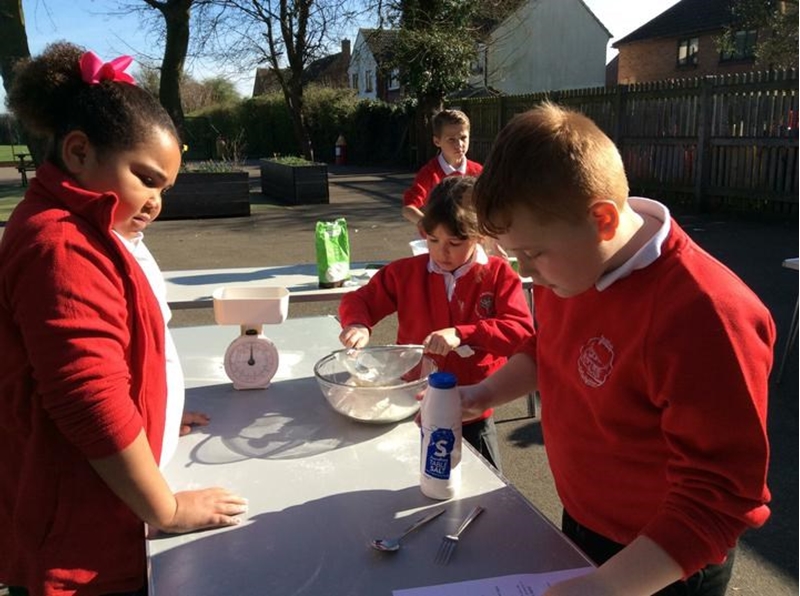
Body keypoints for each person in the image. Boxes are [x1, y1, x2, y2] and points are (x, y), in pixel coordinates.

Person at [463, 102, 773, 596]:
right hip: (584, 523)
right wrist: (481, 394)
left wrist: (607, 587)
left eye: (532, 254)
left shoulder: (708, 313)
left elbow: (721, 499)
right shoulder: (571, 263)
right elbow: (550, 348)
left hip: (666, 562)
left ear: (603, 219)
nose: (526, 273)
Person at [0, 43, 248, 596]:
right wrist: (169, 509)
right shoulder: (61, 246)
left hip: (103, 510)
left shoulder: (94, 229)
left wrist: (152, 411)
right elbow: (88, 400)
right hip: (85, 549)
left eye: (166, 188)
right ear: (79, 150)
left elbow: (113, 355)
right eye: (147, 178)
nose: (158, 202)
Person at [339, 175, 533, 469]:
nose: (442, 252)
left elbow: (520, 331)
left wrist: (463, 333)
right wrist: (357, 323)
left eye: (455, 242)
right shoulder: (406, 273)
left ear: (479, 235)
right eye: (433, 240)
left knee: (487, 483)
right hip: (415, 402)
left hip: (471, 408)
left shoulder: (497, 275)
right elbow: (361, 299)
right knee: (414, 476)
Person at [401, 109, 483, 235]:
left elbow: (489, 206)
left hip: (470, 239)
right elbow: (408, 209)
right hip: (438, 244)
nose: (459, 144)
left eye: (463, 138)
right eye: (451, 139)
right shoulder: (429, 173)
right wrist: (429, 226)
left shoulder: (478, 171)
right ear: (437, 141)